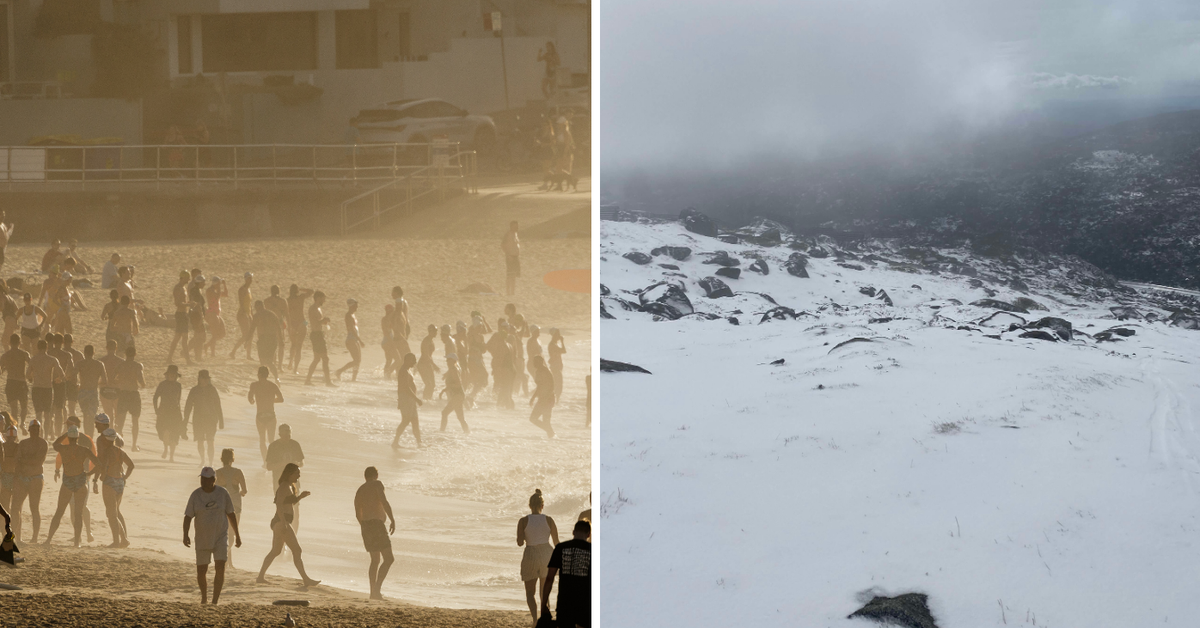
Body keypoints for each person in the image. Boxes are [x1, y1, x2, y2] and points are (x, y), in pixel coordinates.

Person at [183, 466, 241, 604]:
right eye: (202, 479)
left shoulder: (223, 493)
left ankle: (214, 601)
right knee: (201, 570)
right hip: (202, 538)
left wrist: (237, 535)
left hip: (220, 536)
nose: (204, 482)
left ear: (214, 480)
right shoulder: (195, 495)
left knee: (220, 567)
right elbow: (188, 516)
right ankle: (204, 598)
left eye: (207, 479)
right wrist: (185, 534)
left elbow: (231, 514)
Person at [255, 462, 319, 587]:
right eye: (297, 474)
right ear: (289, 474)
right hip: (280, 522)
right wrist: (284, 522)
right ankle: (306, 579)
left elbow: (288, 503)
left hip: (280, 522)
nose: (298, 476)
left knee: (275, 551)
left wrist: (300, 497)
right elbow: (279, 505)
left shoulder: (289, 486)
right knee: (297, 550)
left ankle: (260, 577)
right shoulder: (284, 486)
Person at [43, 422, 98, 547]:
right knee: (78, 513)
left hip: (67, 481)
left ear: (69, 437)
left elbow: (55, 444)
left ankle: (48, 540)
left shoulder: (63, 448)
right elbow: (98, 463)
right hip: (80, 481)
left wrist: (64, 434)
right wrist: (89, 473)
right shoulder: (84, 450)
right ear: (78, 437)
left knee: (59, 511)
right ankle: (77, 542)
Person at [354, 466, 396, 600]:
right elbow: (384, 501)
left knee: (375, 560)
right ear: (375, 475)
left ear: (365, 476)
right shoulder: (377, 484)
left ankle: (373, 592)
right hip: (376, 524)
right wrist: (392, 519)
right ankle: (377, 589)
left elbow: (357, 513)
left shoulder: (359, 490)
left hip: (365, 526)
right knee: (389, 558)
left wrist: (365, 527)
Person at [518, 488, 559, 625]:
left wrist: (526, 535)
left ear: (529, 505)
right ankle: (544, 620)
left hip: (530, 554)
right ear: (543, 505)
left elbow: (519, 542)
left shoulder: (523, 521)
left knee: (530, 592)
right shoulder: (549, 520)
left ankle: (535, 620)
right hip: (547, 553)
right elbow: (557, 542)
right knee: (544, 592)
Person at [542, 520, 591, 628]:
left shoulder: (560, 548)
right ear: (588, 534)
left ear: (573, 532)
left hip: (565, 603)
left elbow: (549, 578)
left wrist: (543, 604)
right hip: (586, 604)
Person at [11, 420, 48, 542]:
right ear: (29, 430)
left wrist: (24, 461)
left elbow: (37, 461)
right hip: (22, 477)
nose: (35, 431)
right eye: (33, 429)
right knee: (16, 507)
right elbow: (17, 460)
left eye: (37, 429)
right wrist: (22, 466)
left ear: (39, 430)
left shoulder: (43, 443)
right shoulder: (23, 443)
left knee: (34, 507)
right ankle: (18, 538)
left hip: (35, 477)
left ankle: (34, 538)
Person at [264, 424, 305, 529]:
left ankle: (293, 536)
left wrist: (294, 463)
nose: (287, 435)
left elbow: (302, 463)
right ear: (280, 434)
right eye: (285, 432)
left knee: (295, 508)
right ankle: (281, 533)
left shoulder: (295, 444)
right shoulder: (273, 446)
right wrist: (283, 464)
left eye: (289, 432)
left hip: (294, 481)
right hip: (279, 482)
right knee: (281, 508)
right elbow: (268, 467)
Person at [184, 370, 223, 467]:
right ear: (199, 379)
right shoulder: (194, 390)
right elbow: (188, 405)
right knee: (200, 441)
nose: (205, 381)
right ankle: (202, 460)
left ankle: (210, 462)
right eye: (203, 378)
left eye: (206, 379)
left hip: (211, 419)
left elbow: (218, 405)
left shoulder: (212, 389)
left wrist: (221, 420)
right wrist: (185, 420)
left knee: (210, 440)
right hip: (198, 419)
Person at [213, 449, 246, 568]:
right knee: (232, 533)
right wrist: (240, 493)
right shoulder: (238, 472)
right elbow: (244, 490)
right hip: (235, 506)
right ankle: (224, 556)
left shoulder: (217, 473)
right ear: (233, 459)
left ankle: (229, 563)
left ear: (221, 459)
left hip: (221, 505)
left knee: (224, 534)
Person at [113, 346, 145, 452]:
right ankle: (134, 445)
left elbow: (114, 379)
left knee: (120, 420)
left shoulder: (120, 365)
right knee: (135, 420)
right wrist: (141, 383)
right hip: (133, 394)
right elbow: (141, 381)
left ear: (125, 354)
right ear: (135, 354)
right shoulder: (137, 366)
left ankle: (117, 444)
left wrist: (121, 381)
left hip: (123, 394)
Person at [27, 339, 63, 432]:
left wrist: (31, 379)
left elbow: (27, 374)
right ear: (47, 347)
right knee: (47, 414)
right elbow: (62, 374)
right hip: (47, 388)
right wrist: (58, 379)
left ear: (37, 347)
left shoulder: (33, 359)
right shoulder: (52, 359)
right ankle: (46, 436)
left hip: (37, 388)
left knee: (38, 414)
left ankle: (39, 434)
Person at [248, 366, 283, 461]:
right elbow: (281, 399)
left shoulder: (254, 385)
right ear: (268, 375)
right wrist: (271, 401)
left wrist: (253, 401)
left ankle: (265, 461)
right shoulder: (273, 385)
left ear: (258, 374)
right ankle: (273, 460)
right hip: (271, 415)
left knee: (262, 440)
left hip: (260, 416)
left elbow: (250, 398)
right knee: (271, 440)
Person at [153, 365, 185, 462]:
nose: (172, 376)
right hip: (164, 411)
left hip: (175, 412)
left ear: (176, 375)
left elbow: (178, 400)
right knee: (164, 432)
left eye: (174, 374)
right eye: (170, 374)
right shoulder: (162, 384)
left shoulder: (178, 385)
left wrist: (180, 413)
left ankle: (171, 456)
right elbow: (155, 397)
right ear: (167, 375)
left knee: (175, 435)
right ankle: (166, 449)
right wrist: (156, 410)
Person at [303, 291, 335, 387]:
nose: (324, 300)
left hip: (318, 334)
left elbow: (319, 322)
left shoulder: (318, 308)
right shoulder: (313, 308)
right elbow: (315, 323)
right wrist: (323, 320)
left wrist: (324, 321)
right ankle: (328, 382)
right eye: (323, 298)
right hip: (316, 335)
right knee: (325, 358)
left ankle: (308, 380)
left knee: (317, 359)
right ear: (318, 298)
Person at [392, 354, 422, 448]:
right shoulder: (403, 371)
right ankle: (395, 442)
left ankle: (419, 443)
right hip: (406, 399)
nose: (414, 362)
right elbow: (405, 387)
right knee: (405, 420)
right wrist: (416, 399)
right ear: (408, 360)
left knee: (415, 421)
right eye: (413, 360)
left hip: (409, 399)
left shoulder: (407, 370)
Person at [249, 301, 283, 381]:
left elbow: (252, 329)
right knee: (269, 362)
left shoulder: (257, 315)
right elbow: (278, 328)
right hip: (272, 339)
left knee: (263, 362)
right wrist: (281, 340)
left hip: (264, 339)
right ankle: (276, 378)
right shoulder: (272, 314)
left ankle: (265, 379)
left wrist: (247, 340)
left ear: (258, 307)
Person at [1, 334, 30, 427]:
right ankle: (22, 423)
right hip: (21, 381)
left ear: (9, 343)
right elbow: (32, 365)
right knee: (24, 406)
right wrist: (30, 376)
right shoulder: (24, 354)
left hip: (11, 382)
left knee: (14, 408)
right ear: (19, 342)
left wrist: (7, 368)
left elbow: (1, 369)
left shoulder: (5, 355)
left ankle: (15, 426)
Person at [166, 271, 193, 366]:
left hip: (183, 314)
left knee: (177, 338)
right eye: (187, 278)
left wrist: (188, 303)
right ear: (182, 278)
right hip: (181, 314)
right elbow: (177, 303)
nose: (188, 280)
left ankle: (169, 358)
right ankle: (188, 360)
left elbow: (182, 301)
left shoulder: (183, 288)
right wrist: (188, 304)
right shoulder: (178, 288)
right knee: (183, 338)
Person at [334, 299, 365, 382]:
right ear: (351, 306)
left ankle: (353, 378)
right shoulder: (348, 315)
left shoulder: (353, 314)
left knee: (358, 360)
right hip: (351, 339)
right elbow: (351, 329)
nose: (357, 308)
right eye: (355, 306)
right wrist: (360, 340)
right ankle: (339, 371)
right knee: (356, 360)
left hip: (355, 339)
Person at [286, 285, 314, 374]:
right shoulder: (301, 298)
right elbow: (311, 291)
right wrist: (301, 289)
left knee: (293, 345)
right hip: (302, 322)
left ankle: (290, 362)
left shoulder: (287, 301)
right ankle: (295, 369)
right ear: (297, 291)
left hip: (292, 324)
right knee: (299, 347)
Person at [228, 272, 254, 360]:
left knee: (250, 335)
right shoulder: (242, 289)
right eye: (250, 278)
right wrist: (246, 314)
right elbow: (241, 303)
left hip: (248, 313)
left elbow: (249, 304)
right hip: (242, 314)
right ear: (246, 279)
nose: (251, 280)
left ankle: (248, 355)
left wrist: (251, 314)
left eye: (251, 278)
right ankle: (233, 352)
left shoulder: (249, 289)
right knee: (245, 335)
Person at [440, 354, 469, 433]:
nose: (447, 361)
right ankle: (467, 433)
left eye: (448, 359)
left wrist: (447, 387)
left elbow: (458, 384)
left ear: (453, 361)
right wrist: (444, 390)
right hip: (458, 395)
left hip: (457, 395)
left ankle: (441, 432)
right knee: (460, 418)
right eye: (447, 360)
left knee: (444, 413)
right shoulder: (452, 369)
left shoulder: (453, 369)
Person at [528, 356, 556, 438]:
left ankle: (551, 433)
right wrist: (534, 398)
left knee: (533, 418)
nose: (533, 363)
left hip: (546, 399)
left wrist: (535, 398)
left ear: (540, 362)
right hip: (546, 398)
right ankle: (552, 435)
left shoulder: (543, 371)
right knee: (545, 422)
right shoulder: (542, 371)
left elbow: (547, 386)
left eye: (535, 362)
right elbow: (541, 386)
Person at [264, 286, 289, 372]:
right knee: (281, 345)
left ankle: (273, 363)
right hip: (280, 323)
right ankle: (280, 366)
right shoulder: (283, 301)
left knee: (273, 344)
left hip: (270, 324)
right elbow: (287, 315)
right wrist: (289, 326)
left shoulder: (267, 301)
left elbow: (265, 314)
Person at [204, 276, 228, 358]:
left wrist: (224, 285)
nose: (219, 285)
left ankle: (207, 345)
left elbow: (226, 294)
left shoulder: (216, 290)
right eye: (219, 283)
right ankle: (212, 353)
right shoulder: (209, 290)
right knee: (215, 334)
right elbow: (217, 296)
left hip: (216, 313)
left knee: (222, 333)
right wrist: (219, 288)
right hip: (211, 313)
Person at [416, 324, 439, 399]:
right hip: (422, 364)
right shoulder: (426, 341)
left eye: (436, 331)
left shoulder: (431, 340)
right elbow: (425, 355)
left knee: (432, 385)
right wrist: (434, 365)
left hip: (428, 364)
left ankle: (429, 399)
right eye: (435, 331)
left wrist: (432, 364)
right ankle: (425, 400)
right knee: (428, 384)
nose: (436, 332)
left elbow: (429, 355)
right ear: (430, 331)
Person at [501, 221, 520, 296]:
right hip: (510, 257)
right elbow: (502, 245)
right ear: (511, 226)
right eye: (515, 226)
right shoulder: (508, 234)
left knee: (514, 275)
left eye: (517, 226)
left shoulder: (515, 234)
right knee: (509, 275)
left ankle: (512, 292)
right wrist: (508, 255)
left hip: (516, 257)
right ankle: (508, 292)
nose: (516, 228)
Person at [548, 328, 566, 399]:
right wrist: (562, 341)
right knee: (558, 384)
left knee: (557, 384)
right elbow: (564, 351)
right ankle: (556, 399)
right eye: (558, 334)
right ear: (554, 335)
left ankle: (556, 399)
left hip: (556, 367)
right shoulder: (553, 345)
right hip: (555, 367)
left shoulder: (554, 344)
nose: (559, 335)